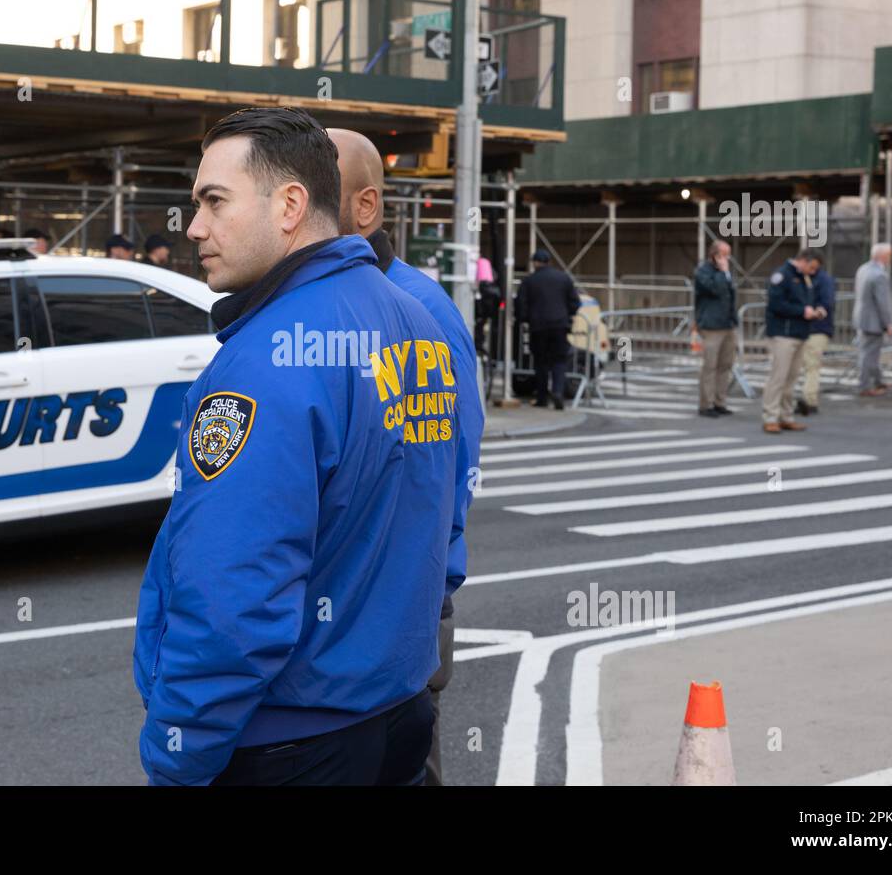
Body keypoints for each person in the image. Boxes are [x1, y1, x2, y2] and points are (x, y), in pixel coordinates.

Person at [132, 107, 461, 786]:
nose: (194, 228)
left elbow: (233, 599)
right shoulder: (416, 320)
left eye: (214, 202)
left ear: (289, 205)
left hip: (292, 740)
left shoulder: (262, 363)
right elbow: (441, 518)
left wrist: (177, 753)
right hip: (396, 712)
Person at [327, 126, 484, 787]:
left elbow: (451, 469)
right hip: (347, 605)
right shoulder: (327, 305)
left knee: (408, 766)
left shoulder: (418, 310)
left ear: (365, 209)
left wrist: (427, 586)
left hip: (403, 603)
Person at [761, 249, 824, 433]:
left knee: (791, 379)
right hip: (783, 334)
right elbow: (775, 304)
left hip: (799, 333)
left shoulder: (804, 278)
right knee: (778, 378)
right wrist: (802, 311)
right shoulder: (782, 275)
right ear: (803, 260)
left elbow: (806, 300)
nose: (813, 272)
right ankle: (770, 416)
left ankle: (786, 416)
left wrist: (816, 310)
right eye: (811, 267)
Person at [515, 248, 580, 410]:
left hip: (538, 327)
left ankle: (542, 397)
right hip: (559, 325)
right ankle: (558, 391)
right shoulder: (563, 278)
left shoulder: (529, 281)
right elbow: (575, 302)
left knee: (540, 362)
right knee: (559, 361)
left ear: (535, 263)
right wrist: (567, 314)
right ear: (549, 261)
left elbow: (521, 305)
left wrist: (524, 319)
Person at [693, 239, 738, 418]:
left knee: (725, 365)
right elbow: (715, 289)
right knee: (710, 366)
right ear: (715, 255)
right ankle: (706, 404)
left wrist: (725, 273)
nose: (728, 258)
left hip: (728, 324)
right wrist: (722, 271)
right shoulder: (703, 272)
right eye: (724, 255)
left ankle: (720, 401)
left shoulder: (726, 273)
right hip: (711, 325)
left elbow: (731, 295)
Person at [853, 243, 892, 397]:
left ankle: (877, 380)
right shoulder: (880, 275)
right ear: (883, 256)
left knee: (869, 353)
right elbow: (882, 303)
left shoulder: (863, 269)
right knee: (869, 354)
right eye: (889, 255)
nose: (890, 258)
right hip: (873, 321)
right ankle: (864, 386)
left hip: (861, 318)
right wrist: (888, 323)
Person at [797, 250, 834, 415]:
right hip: (806, 327)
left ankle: (809, 399)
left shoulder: (823, 280)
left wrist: (816, 312)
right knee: (807, 365)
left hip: (817, 328)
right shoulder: (803, 278)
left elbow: (826, 302)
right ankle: (807, 398)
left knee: (811, 365)